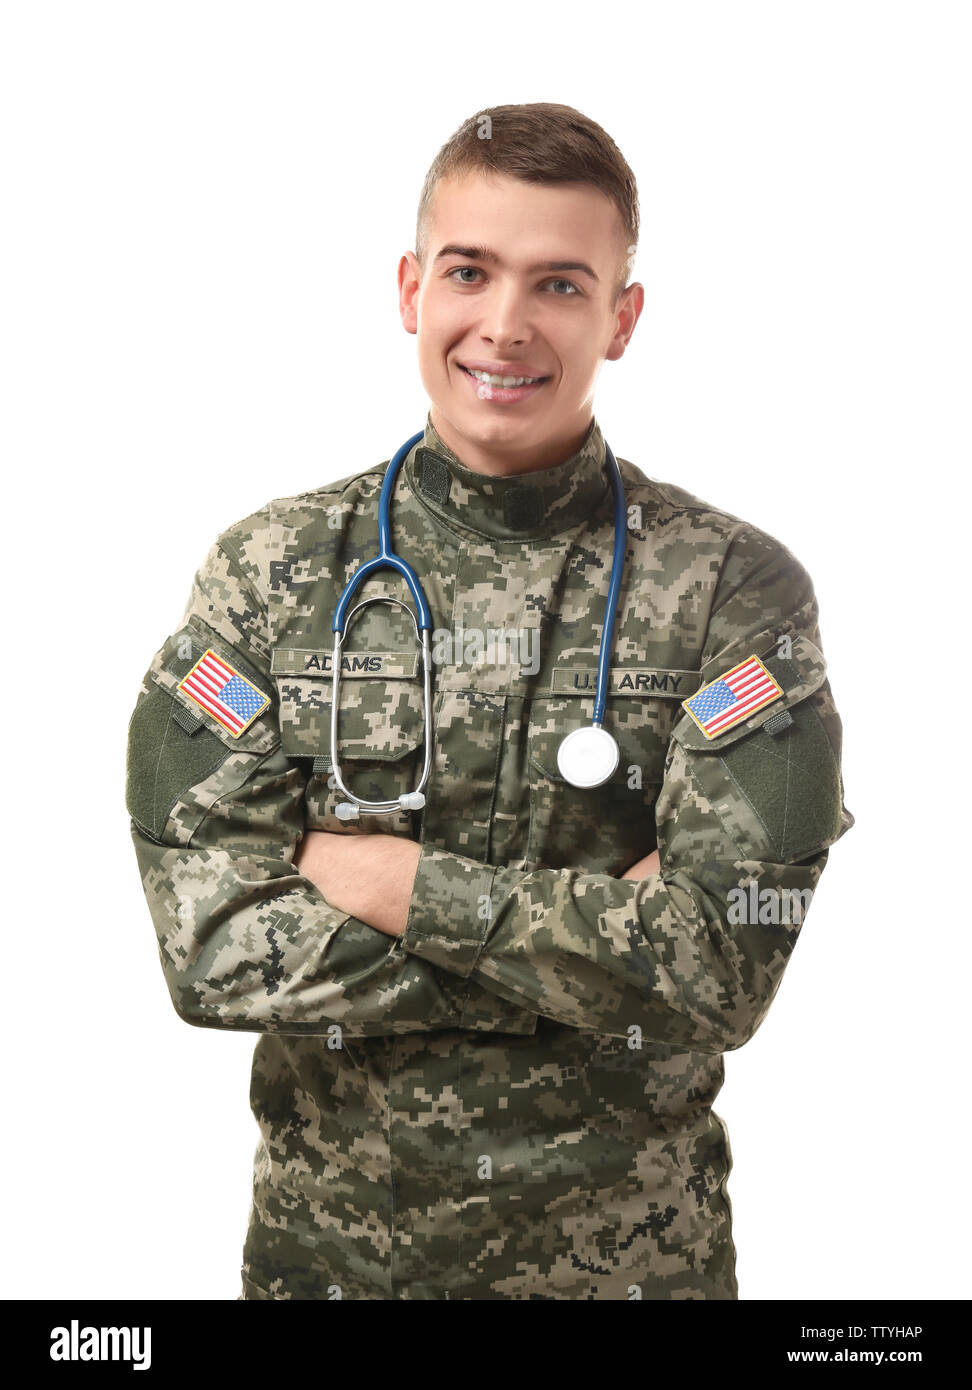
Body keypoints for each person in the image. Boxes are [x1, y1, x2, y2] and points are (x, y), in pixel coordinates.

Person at [125, 102, 853, 1300]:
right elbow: (210, 954)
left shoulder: (733, 587)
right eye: (471, 271)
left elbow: (721, 968)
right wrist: (597, 948)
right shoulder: (268, 574)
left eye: (561, 283)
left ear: (621, 316)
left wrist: (389, 880)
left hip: (636, 1275)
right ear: (413, 288)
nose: (505, 325)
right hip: (333, 1271)